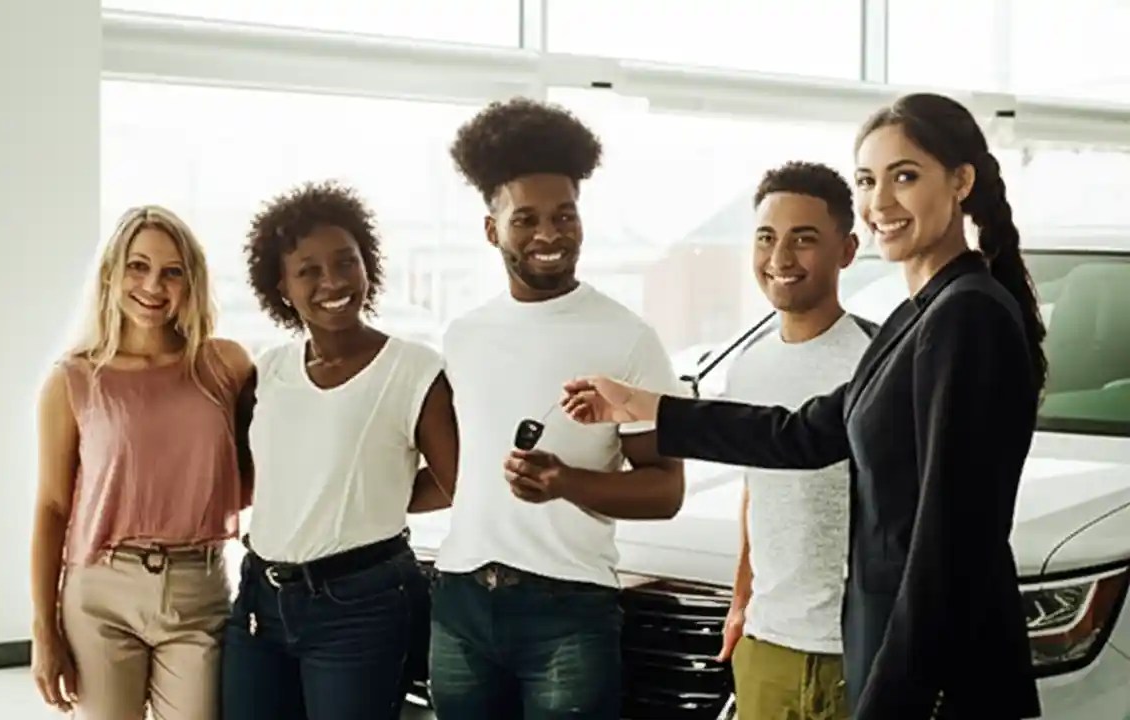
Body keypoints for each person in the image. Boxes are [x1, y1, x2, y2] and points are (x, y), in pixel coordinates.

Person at [560, 92, 1046, 720]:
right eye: (868, 180)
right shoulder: (921, 316)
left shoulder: (966, 317)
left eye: (905, 176)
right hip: (899, 658)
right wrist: (647, 405)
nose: (881, 203)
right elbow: (804, 434)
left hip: (936, 679)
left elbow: (946, 547)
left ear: (961, 182)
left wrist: (892, 701)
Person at [429, 97, 686, 720]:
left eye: (564, 216)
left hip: (567, 611)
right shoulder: (464, 334)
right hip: (461, 602)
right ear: (493, 231)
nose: (549, 234)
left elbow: (666, 491)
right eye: (527, 219)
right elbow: (461, 475)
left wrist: (564, 482)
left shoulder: (626, 336)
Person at [219, 180, 459, 720]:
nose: (333, 281)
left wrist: (381, 495)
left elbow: (455, 482)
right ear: (280, 286)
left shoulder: (414, 369)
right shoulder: (269, 371)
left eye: (346, 262)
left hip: (362, 604)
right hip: (260, 599)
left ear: (366, 264)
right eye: (308, 270)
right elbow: (267, 476)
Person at [30, 205, 255, 719]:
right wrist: (44, 632)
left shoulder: (226, 367)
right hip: (100, 593)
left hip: (199, 590)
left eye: (172, 271)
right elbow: (51, 508)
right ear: (111, 273)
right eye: (138, 266)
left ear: (191, 282)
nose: (153, 284)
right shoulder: (73, 381)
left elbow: (258, 471)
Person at [716, 161, 874, 720]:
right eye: (766, 238)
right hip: (768, 647)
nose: (780, 259)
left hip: (860, 651)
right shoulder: (747, 368)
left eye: (803, 240)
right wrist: (740, 604)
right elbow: (755, 494)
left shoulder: (878, 363)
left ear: (847, 250)